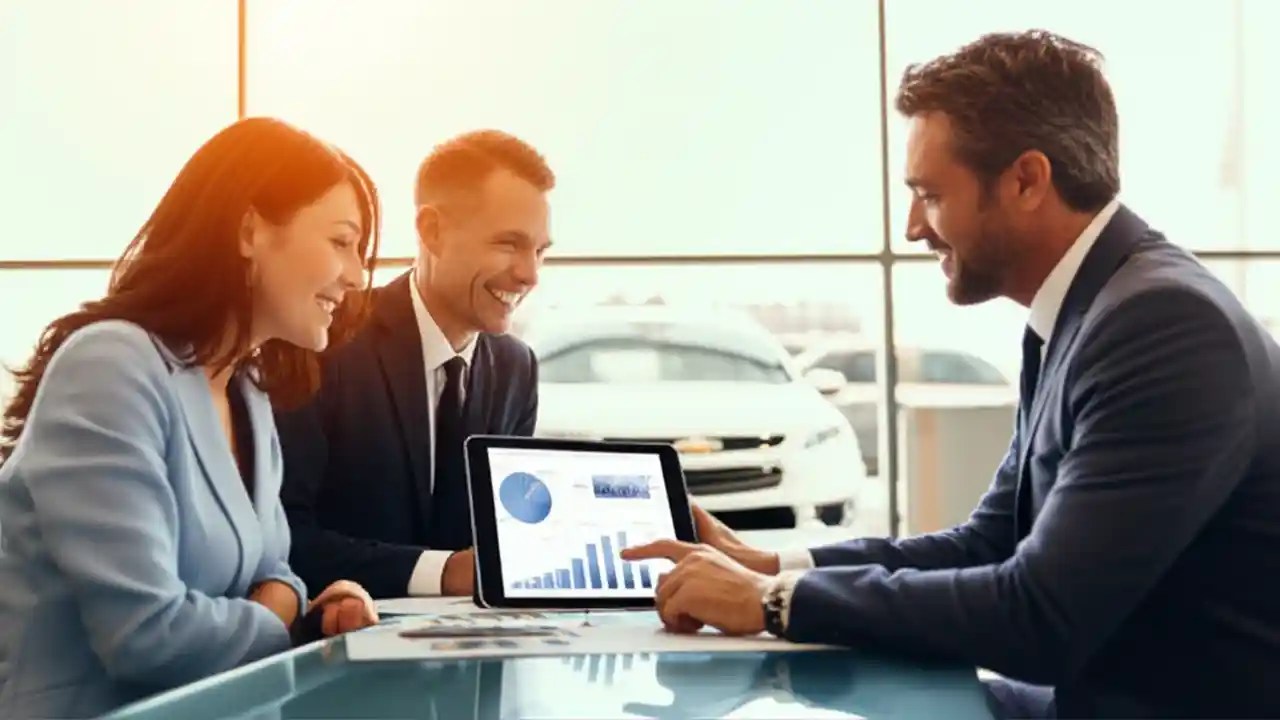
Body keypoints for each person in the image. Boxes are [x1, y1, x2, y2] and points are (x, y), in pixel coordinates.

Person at [624, 30, 1280, 718]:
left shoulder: (1161, 325)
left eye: (930, 195)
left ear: (1027, 180)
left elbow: (1040, 617)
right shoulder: (1091, 311)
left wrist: (773, 603)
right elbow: (990, 543)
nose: (914, 227)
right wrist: (774, 567)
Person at [0, 117, 384, 719]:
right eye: (341, 242)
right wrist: (284, 619)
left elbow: (275, 571)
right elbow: (147, 636)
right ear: (250, 231)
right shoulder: (112, 365)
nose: (358, 275)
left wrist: (302, 604)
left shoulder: (246, 392)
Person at [275, 129, 552, 599]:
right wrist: (443, 573)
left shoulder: (515, 368)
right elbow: (285, 534)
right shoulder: (325, 335)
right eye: (509, 244)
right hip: (345, 629)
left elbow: (504, 536)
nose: (530, 274)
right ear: (432, 231)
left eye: (541, 251)